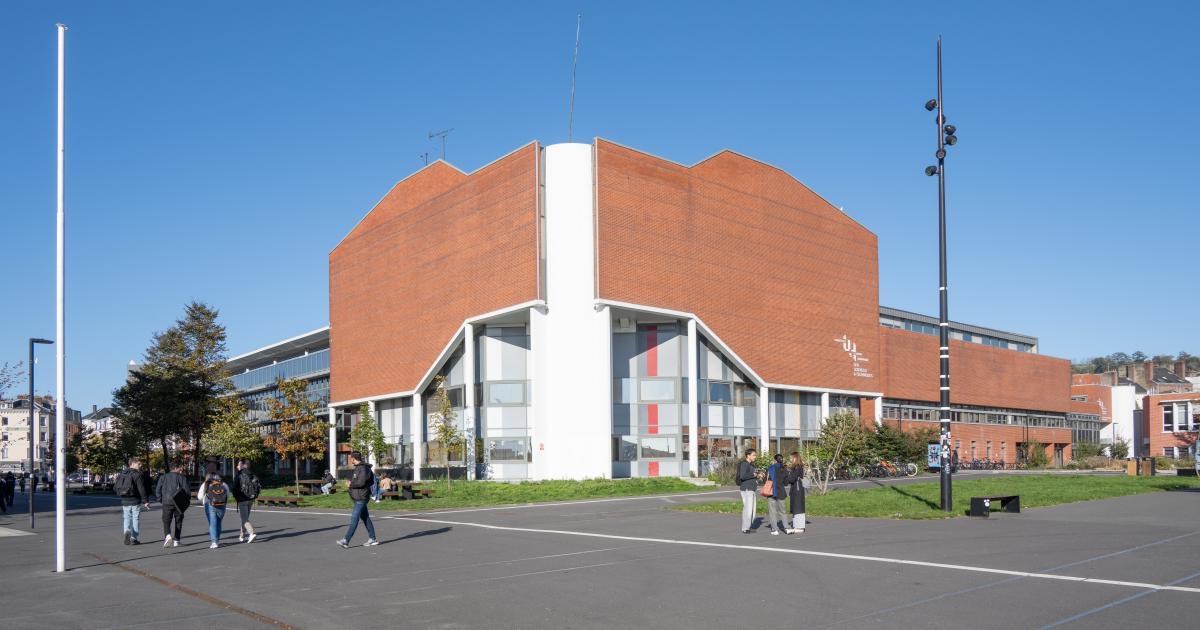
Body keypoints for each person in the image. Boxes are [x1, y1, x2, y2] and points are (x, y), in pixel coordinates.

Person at [336, 451, 378, 548]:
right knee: (366, 518)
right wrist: (352, 483)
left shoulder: (363, 468)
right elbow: (359, 481)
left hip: (361, 498)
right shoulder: (359, 468)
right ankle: (373, 538)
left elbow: (361, 483)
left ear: (354, 458)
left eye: (351, 458)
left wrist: (350, 484)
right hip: (359, 497)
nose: (350, 460)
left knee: (354, 518)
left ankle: (346, 540)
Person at [116, 459, 150, 545]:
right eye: (139, 464)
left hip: (124, 499)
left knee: (126, 518)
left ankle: (127, 531)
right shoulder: (137, 475)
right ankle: (133, 537)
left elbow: (116, 487)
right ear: (133, 464)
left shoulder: (122, 474)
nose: (140, 466)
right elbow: (141, 489)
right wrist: (145, 501)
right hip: (135, 500)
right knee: (135, 518)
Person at [155, 463, 190, 547]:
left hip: (166, 501)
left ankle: (168, 536)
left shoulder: (163, 477)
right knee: (179, 521)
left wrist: (161, 500)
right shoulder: (181, 477)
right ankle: (176, 540)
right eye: (180, 468)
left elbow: (158, 490)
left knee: (166, 520)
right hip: (179, 502)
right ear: (175, 468)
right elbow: (187, 491)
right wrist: (185, 501)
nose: (181, 470)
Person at [231, 460, 260, 543]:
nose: (237, 467)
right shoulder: (252, 474)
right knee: (245, 518)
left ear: (242, 466)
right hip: (251, 499)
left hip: (242, 499)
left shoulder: (239, 475)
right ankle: (241, 535)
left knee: (244, 519)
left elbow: (234, 488)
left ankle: (252, 533)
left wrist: (236, 497)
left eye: (238, 465)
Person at [199, 473, 231, 549]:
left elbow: (199, 496)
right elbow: (228, 495)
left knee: (212, 523)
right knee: (218, 522)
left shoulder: (206, 484)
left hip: (210, 505)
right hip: (222, 505)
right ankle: (217, 540)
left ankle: (214, 542)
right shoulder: (224, 484)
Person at [764, 454, 790, 535]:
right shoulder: (785, 469)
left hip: (771, 491)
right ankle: (787, 527)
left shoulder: (770, 468)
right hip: (781, 492)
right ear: (782, 460)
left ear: (774, 460)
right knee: (782, 511)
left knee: (772, 511)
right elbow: (786, 483)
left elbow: (766, 480)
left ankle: (775, 529)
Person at [736, 449, 759, 534]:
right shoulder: (744, 464)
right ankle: (745, 528)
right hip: (746, 489)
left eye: (755, 455)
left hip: (751, 488)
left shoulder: (751, 465)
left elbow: (751, 476)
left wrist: (758, 476)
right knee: (748, 509)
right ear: (748, 455)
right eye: (753, 455)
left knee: (752, 509)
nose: (755, 457)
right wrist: (753, 475)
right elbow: (743, 476)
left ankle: (748, 526)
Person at [785, 452, 806, 534]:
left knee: (798, 507)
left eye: (791, 458)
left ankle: (799, 527)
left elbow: (792, 479)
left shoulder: (798, 467)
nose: (790, 459)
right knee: (796, 507)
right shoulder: (796, 467)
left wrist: (787, 474)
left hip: (798, 489)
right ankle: (796, 525)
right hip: (796, 489)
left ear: (795, 458)